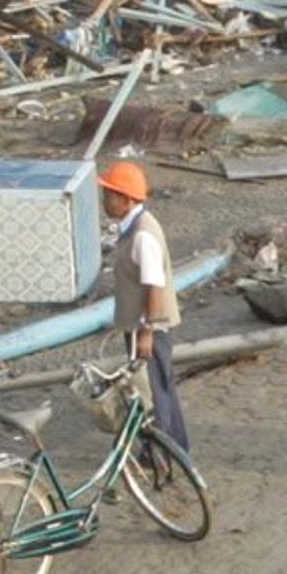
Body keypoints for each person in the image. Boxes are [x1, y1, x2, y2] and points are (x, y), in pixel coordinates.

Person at [98, 158, 189, 459]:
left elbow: (155, 285)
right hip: (141, 326)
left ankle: (160, 454)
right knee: (160, 388)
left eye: (109, 195)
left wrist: (147, 331)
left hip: (148, 329)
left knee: (153, 393)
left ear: (125, 199)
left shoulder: (142, 235)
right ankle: (175, 450)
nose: (105, 201)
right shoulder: (134, 228)